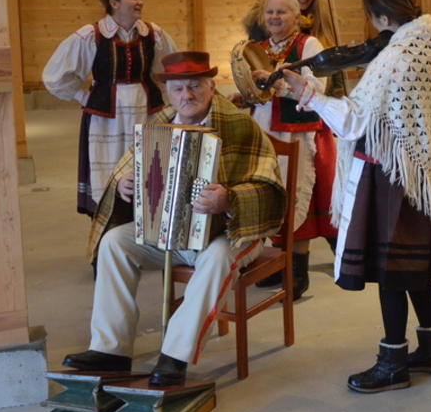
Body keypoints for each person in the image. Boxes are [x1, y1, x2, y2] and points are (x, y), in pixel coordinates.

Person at [279, 0, 431, 394]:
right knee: (414, 265)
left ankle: (392, 362)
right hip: (423, 168)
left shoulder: (397, 53)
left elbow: (354, 120)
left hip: (391, 174)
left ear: (380, 15)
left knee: (391, 270)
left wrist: (304, 93)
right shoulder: (430, 38)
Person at [62, 51, 286, 387]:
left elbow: (269, 186)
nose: (187, 96)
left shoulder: (241, 125)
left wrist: (230, 198)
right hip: (171, 232)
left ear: (212, 88)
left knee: (216, 259)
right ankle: (111, 349)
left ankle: (175, 355)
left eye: (195, 86)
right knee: (114, 243)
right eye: (178, 89)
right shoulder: (159, 124)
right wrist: (124, 182)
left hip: (231, 232)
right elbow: (128, 168)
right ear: (168, 93)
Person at [228, 0, 338, 301]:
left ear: (296, 16)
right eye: (269, 13)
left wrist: (279, 85)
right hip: (264, 133)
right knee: (270, 195)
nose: (274, 17)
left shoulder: (308, 45)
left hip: (297, 133)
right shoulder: (258, 48)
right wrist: (242, 96)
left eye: (282, 12)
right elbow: (254, 91)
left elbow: (318, 89)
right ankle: (277, 264)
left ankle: (296, 272)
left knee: (293, 196)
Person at [43, 0, 177, 217]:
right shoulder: (91, 35)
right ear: (114, 3)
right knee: (108, 168)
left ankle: (148, 227)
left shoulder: (153, 34)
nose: (140, 2)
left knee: (147, 166)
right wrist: (83, 96)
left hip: (145, 110)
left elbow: (171, 68)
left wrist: (172, 94)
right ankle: (107, 234)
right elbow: (55, 76)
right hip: (107, 117)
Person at [243, 0, 345, 97]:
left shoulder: (324, 22)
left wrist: (338, 95)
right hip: (271, 99)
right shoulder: (266, 23)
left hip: (314, 98)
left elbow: (334, 67)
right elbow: (257, 61)